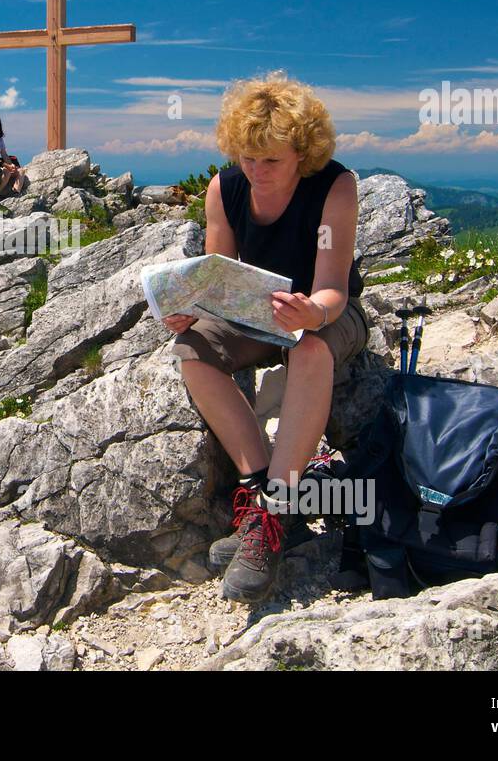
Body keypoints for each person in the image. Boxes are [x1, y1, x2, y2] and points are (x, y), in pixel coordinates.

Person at [163, 71, 368, 603]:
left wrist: (309, 315)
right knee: (193, 350)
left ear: (303, 152)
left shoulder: (334, 188)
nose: (256, 171)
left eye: (271, 160)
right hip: (255, 310)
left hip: (323, 314)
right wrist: (192, 310)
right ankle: (260, 497)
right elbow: (218, 272)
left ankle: (272, 516)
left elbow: (333, 290)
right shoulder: (225, 188)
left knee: (311, 354)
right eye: (247, 157)